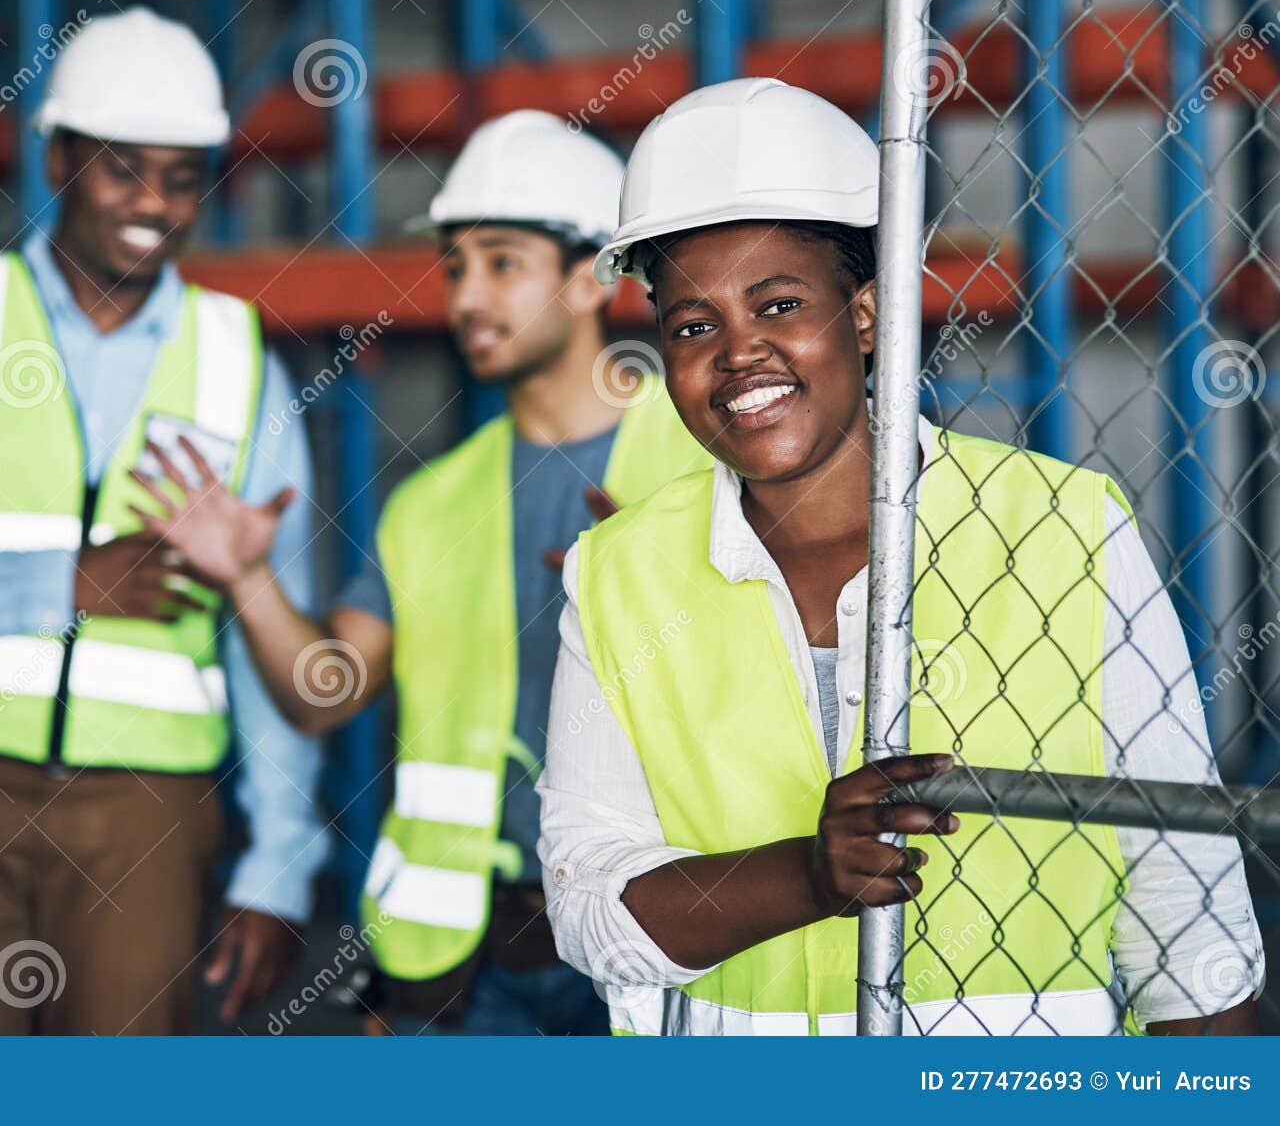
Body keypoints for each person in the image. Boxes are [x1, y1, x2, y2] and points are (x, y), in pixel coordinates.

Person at [539, 77, 1265, 1036]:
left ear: (868, 316)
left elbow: (1187, 919)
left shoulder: (1064, 527)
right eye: (693, 324)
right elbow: (588, 903)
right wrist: (803, 873)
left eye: (780, 303)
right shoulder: (618, 573)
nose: (739, 354)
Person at [128, 110, 714, 1034]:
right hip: (473, 968)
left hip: (670, 943)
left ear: (591, 276)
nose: (467, 296)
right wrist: (246, 579)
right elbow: (326, 691)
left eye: (502, 263)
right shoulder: (434, 503)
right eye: (456, 266)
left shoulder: (703, 463)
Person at [0, 7, 327, 1034]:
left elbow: (277, 629)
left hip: (147, 810)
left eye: (183, 176)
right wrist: (62, 582)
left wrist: (277, 865)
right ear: (55, 158)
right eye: (122, 167)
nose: (155, 202)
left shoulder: (240, 362)